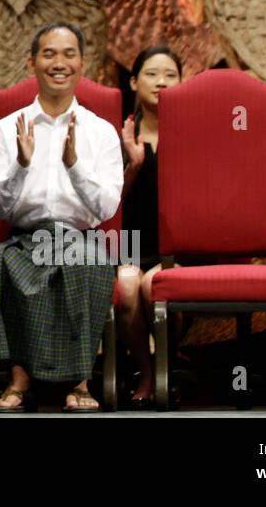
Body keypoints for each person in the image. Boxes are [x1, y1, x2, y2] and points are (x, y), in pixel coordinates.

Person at [0, 23, 123, 412]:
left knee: (86, 263)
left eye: (69, 54)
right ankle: (16, 379)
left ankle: (81, 382)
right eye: (49, 54)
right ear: (32, 62)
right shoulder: (8, 129)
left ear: (82, 63)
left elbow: (106, 209)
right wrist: (21, 163)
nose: (59, 63)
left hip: (78, 237)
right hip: (25, 237)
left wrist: (73, 166)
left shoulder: (101, 132)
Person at [113, 45, 182, 409]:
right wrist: (134, 165)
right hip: (131, 242)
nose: (161, 82)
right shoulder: (120, 135)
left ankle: (164, 370)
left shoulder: (193, 134)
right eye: (152, 74)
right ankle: (148, 371)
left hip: (181, 245)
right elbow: (107, 206)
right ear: (134, 81)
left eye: (171, 75)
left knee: (152, 283)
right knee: (126, 286)